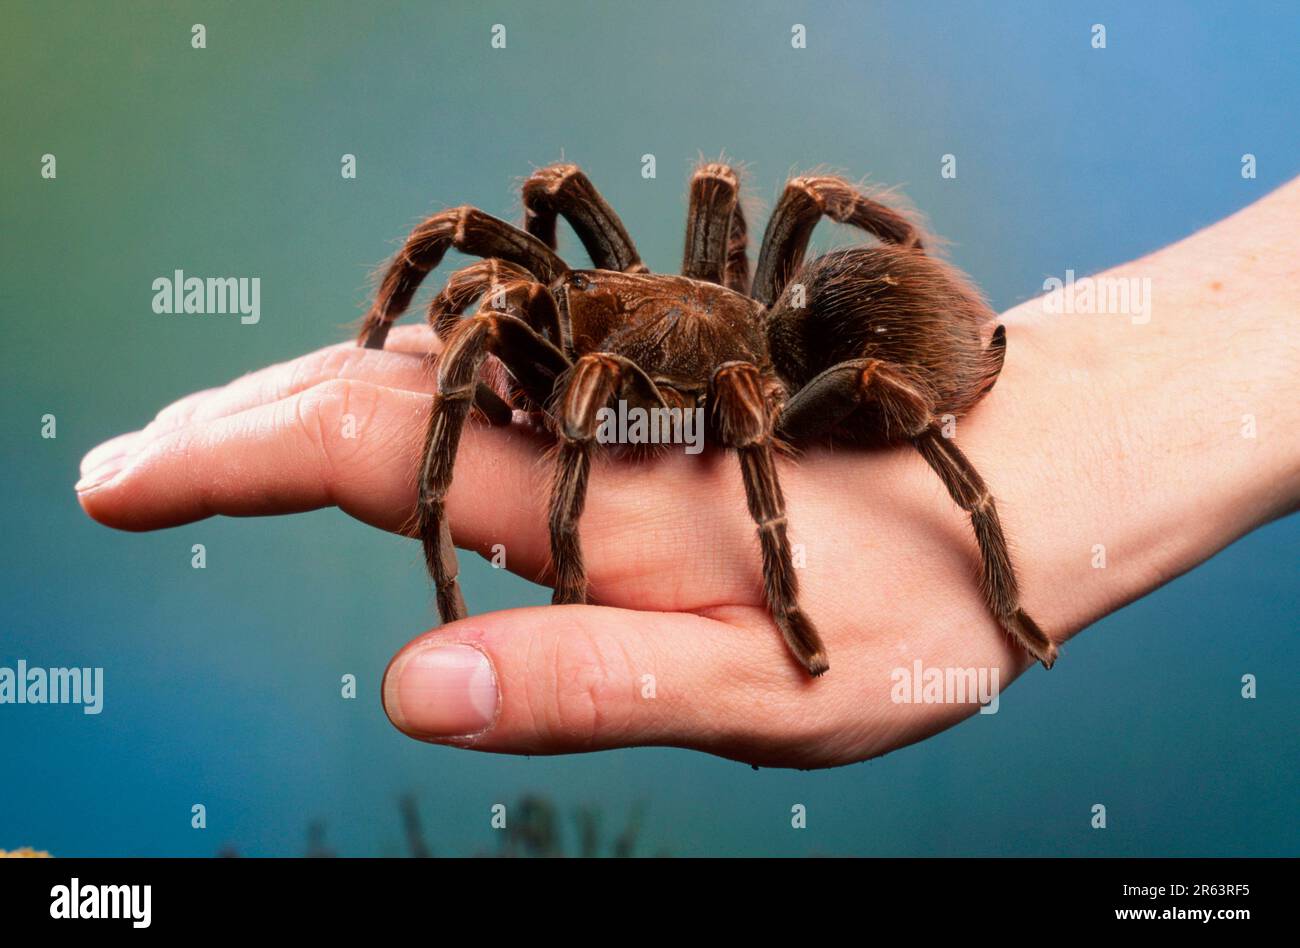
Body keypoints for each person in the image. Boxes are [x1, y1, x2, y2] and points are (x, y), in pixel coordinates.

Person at [75, 179, 1300, 768]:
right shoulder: (590, 299)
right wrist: (371, 354)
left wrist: (784, 593)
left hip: (814, 358)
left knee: (838, 376)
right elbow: (489, 250)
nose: (531, 312)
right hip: (764, 330)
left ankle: (993, 586)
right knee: (486, 240)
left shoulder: (678, 381)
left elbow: (690, 402)